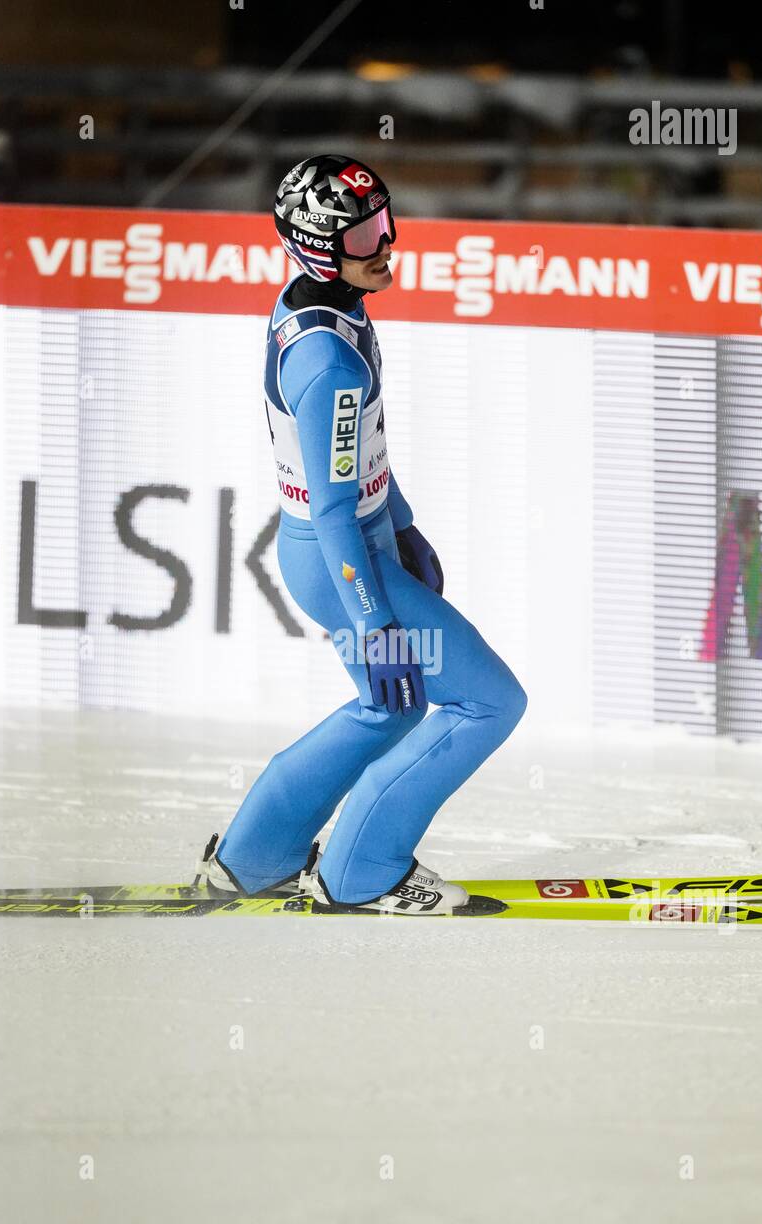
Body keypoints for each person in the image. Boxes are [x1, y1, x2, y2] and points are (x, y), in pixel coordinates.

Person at [202, 155, 526, 914]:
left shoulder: (321, 303)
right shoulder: (330, 360)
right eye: (366, 235)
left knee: (392, 707)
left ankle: (253, 857)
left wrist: (405, 523)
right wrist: (376, 619)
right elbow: (335, 506)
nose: (386, 245)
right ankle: (359, 872)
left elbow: (360, 460)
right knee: (487, 704)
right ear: (318, 245)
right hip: (347, 562)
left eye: (385, 224)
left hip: (346, 553)